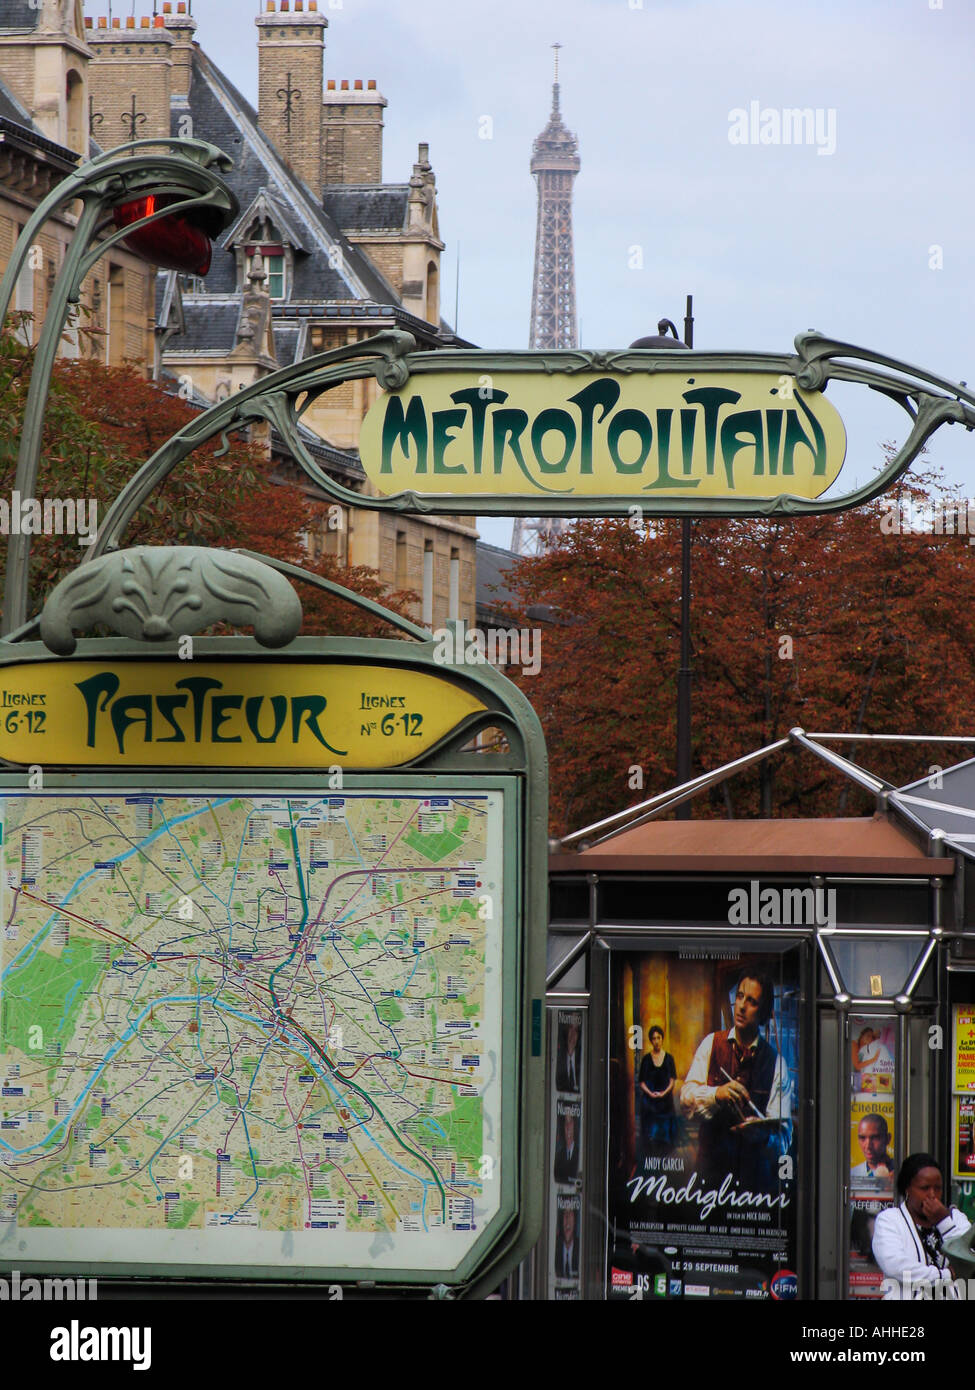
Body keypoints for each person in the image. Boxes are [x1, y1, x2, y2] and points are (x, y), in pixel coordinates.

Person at [680, 968, 790, 1188]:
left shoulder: (777, 1064)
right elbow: (685, 1101)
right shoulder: (711, 1044)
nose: (741, 1006)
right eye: (739, 996)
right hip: (708, 1180)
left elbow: (784, 1139)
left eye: (751, 1001)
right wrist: (716, 1095)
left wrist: (762, 1135)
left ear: (764, 1011)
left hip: (753, 1183)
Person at [872, 1152, 971, 1299]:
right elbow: (899, 1268)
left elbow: (969, 1260)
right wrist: (947, 1275)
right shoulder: (890, 1220)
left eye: (938, 1188)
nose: (932, 1195)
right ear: (907, 1189)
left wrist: (944, 1222)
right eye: (924, 1188)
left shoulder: (956, 1218)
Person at [638, 1025, 677, 1150]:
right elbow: (641, 1082)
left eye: (658, 1038)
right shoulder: (646, 1059)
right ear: (651, 1041)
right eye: (653, 1038)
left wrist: (664, 1093)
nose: (656, 1041)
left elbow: (672, 1080)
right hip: (650, 1101)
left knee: (666, 1142)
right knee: (650, 1141)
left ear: (662, 1039)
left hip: (665, 1100)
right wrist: (650, 1093)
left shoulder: (669, 1058)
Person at [851, 1114, 894, 1189]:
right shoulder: (852, 1174)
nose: (868, 1146)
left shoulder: (902, 1173)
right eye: (862, 1138)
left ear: (888, 1139)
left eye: (874, 1138)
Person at [553, 1109, 580, 1184]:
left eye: (570, 1122)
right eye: (566, 1123)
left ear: (575, 1126)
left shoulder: (580, 1153)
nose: (568, 1127)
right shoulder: (558, 1156)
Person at [556, 1017, 581, 1093]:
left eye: (576, 1030)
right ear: (566, 1031)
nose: (573, 1034)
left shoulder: (581, 1061)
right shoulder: (558, 1059)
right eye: (570, 1028)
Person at [554, 1204, 579, 1280]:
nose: (567, 1219)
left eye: (570, 1214)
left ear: (575, 1221)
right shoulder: (555, 1247)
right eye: (565, 1214)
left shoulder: (581, 1247)